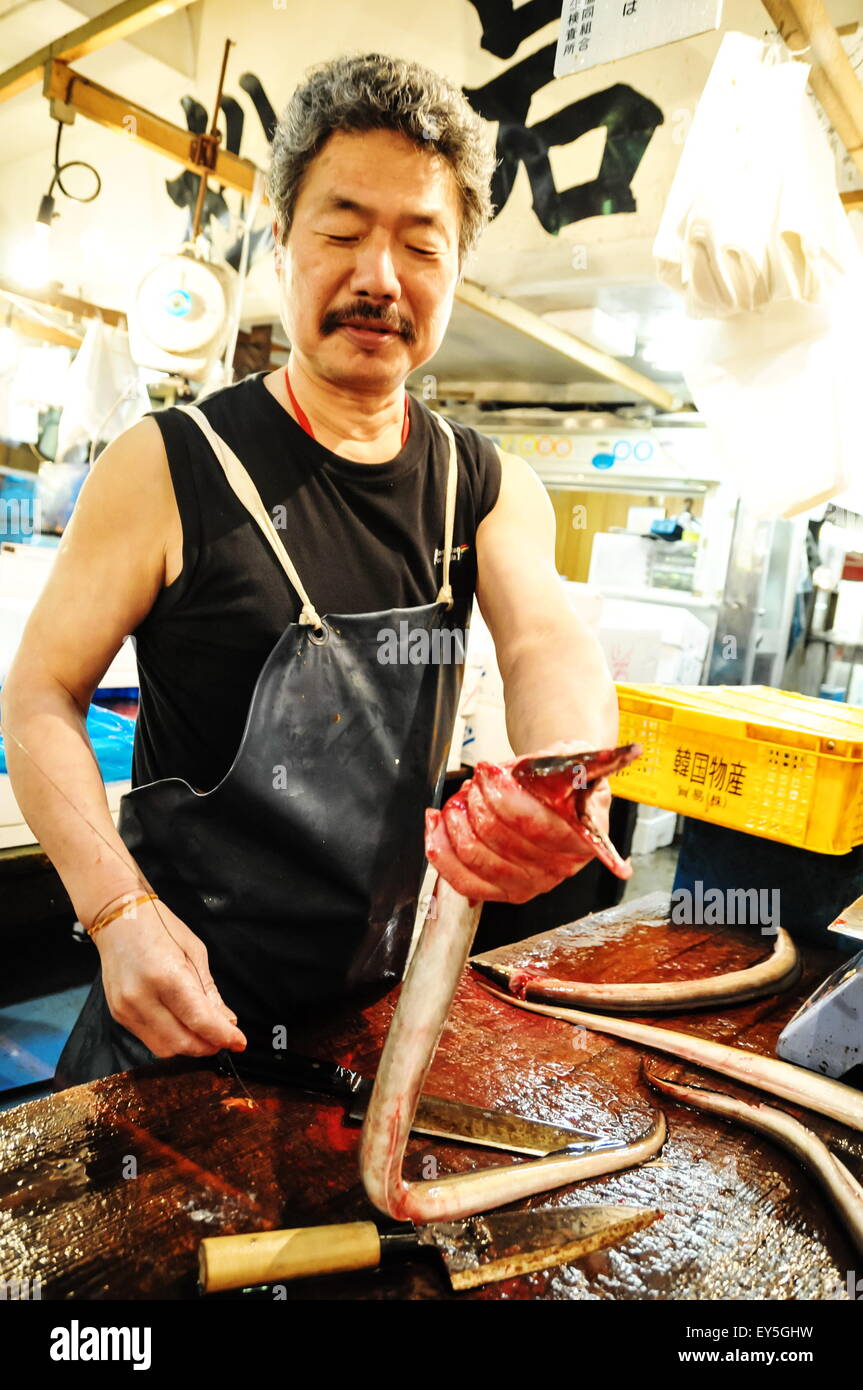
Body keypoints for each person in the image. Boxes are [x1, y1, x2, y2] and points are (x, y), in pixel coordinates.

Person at [1, 54, 620, 1086]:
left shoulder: (481, 481)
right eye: (340, 231)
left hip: (368, 1034)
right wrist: (115, 910)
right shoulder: (166, 463)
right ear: (280, 239)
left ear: (456, 270)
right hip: (165, 1027)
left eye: (421, 244)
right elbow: (37, 695)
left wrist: (560, 781)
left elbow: (545, 639)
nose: (378, 275)